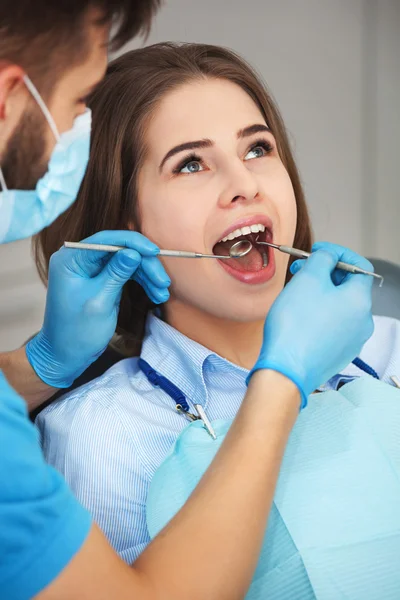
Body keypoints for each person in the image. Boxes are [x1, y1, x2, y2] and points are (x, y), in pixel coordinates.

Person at [0, 5, 375, 599]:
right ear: (127, 224)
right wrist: (282, 382)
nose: (245, 183)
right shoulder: (97, 436)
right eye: (191, 163)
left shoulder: (388, 345)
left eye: (258, 149)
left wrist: (36, 364)